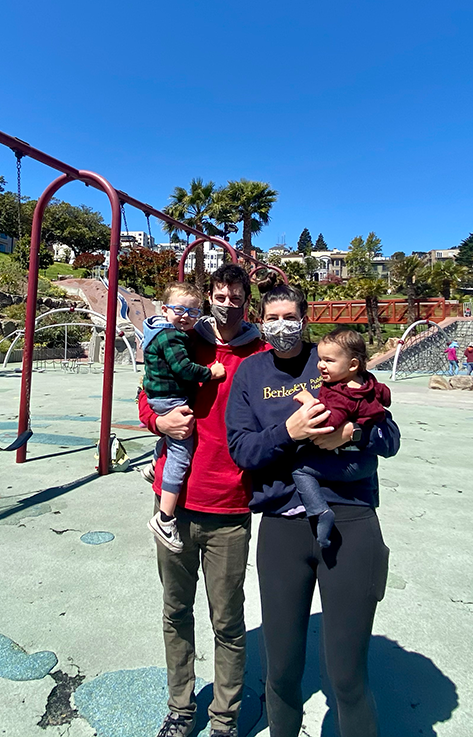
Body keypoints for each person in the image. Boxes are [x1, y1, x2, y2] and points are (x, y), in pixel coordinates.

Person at [228, 283, 400, 737]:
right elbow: (243, 451)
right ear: (260, 320)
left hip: (350, 518)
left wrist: (351, 435)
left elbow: (389, 437)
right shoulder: (249, 373)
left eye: (290, 316)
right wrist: (288, 430)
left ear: (305, 318)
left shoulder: (333, 357)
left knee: (346, 674)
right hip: (283, 526)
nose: (281, 325)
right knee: (281, 669)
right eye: (272, 316)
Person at [137, 264, 267, 737]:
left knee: (228, 621)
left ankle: (225, 719)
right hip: (175, 503)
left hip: (229, 504)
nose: (226, 303)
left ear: (247, 301)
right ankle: (180, 708)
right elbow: (146, 396)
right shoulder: (184, 337)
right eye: (219, 293)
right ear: (208, 295)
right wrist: (158, 424)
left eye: (236, 296)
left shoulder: (262, 352)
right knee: (175, 611)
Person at [140, 282, 227, 552]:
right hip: (170, 399)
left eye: (193, 311)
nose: (186, 316)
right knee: (181, 453)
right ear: (165, 309)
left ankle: (154, 464)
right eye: (179, 309)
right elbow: (182, 367)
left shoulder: (157, 332)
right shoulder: (173, 337)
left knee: (171, 440)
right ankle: (165, 519)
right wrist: (210, 373)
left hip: (162, 396)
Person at [289, 326, 391, 549]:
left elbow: (329, 424)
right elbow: (385, 394)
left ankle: (320, 511)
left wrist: (309, 402)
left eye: (328, 360)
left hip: (348, 461)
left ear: (352, 364)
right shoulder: (368, 382)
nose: (320, 365)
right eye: (320, 359)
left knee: (300, 469)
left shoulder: (340, 394)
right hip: (367, 463)